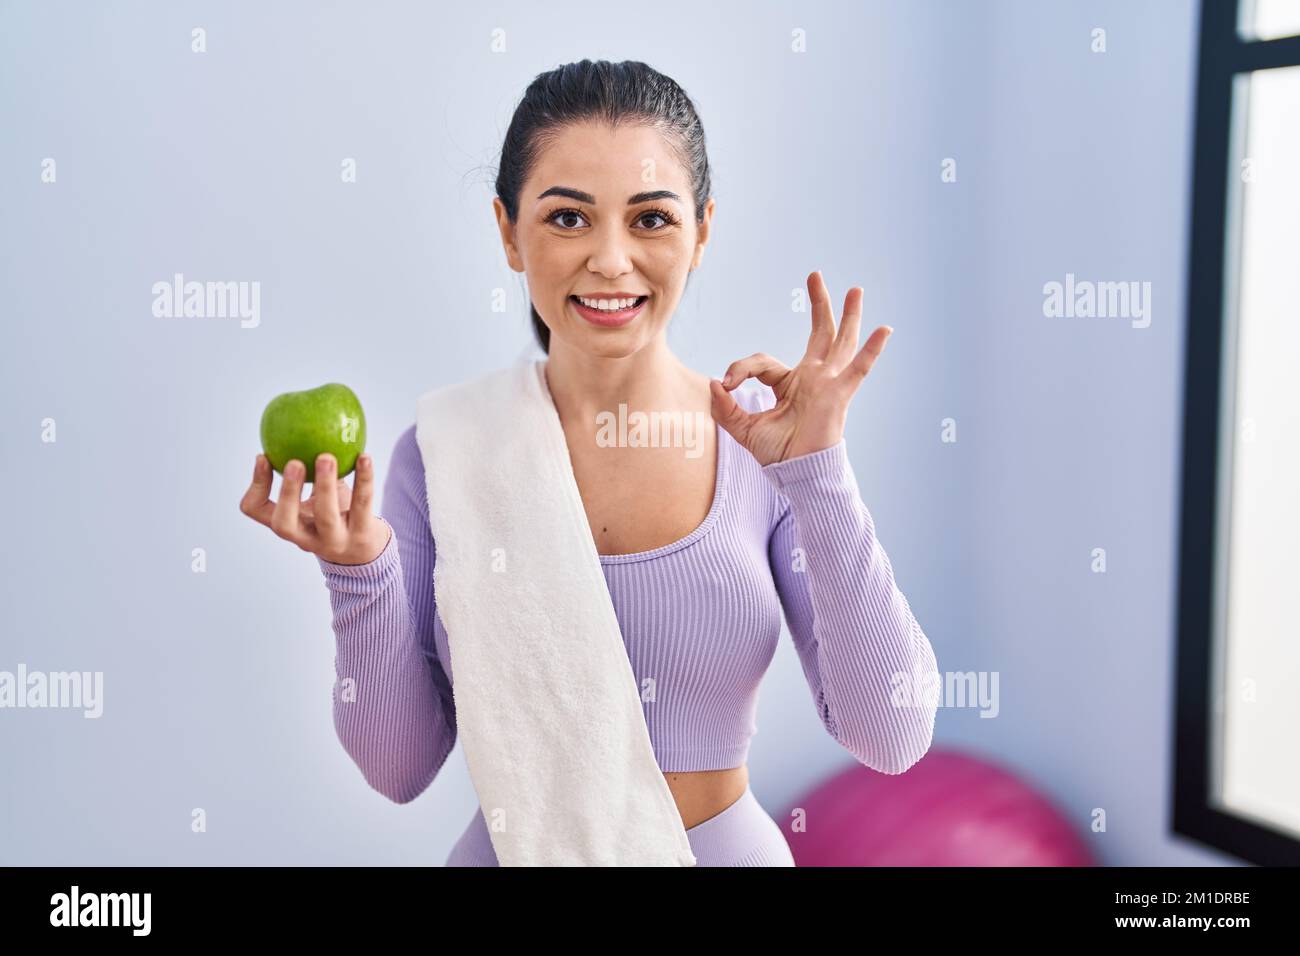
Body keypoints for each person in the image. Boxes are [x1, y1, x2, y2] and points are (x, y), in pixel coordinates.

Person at [239, 59, 938, 866]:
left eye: (651, 220)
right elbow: (399, 770)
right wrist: (357, 570)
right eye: (568, 219)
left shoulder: (765, 445)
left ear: (702, 231)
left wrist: (819, 476)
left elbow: (890, 734)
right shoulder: (448, 453)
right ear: (507, 231)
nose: (610, 259)